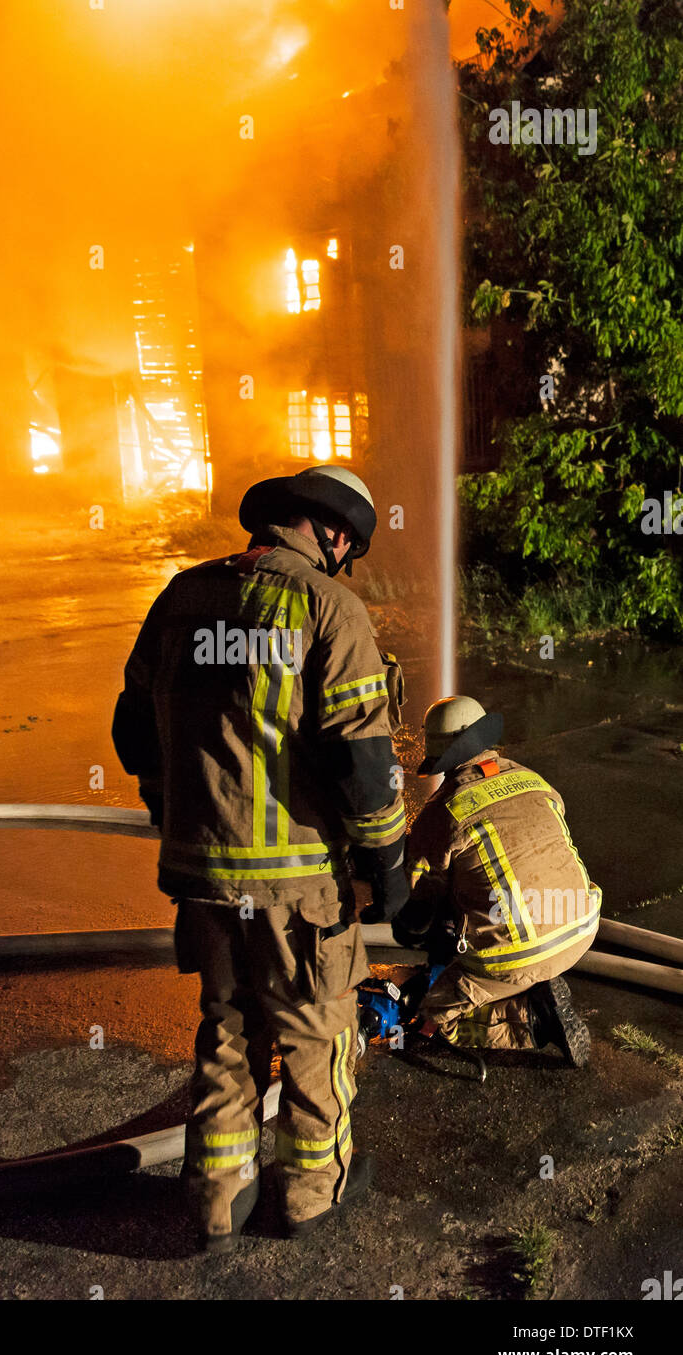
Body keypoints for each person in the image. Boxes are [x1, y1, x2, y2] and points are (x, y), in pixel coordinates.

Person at [112, 464, 408, 1250]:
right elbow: (363, 762)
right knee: (318, 1034)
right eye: (353, 545)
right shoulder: (327, 607)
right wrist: (389, 863)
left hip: (203, 881)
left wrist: (172, 811)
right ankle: (312, 1199)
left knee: (228, 1029)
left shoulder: (182, 597)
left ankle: (218, 1203)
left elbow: (133, 732)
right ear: (336, 535)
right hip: (298, 886)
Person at [393, 696, 599, 1065]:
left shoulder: (441, 812)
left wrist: (412, 927)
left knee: (436, 1019)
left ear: (442, 757)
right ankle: (534, 984)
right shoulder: (533, 778)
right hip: (583, 928)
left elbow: (418, 909)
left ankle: (534, 1020)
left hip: (517, 953)